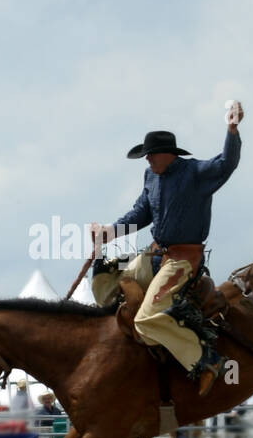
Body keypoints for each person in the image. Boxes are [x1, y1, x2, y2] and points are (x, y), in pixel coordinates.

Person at [91, 102, 244, 397]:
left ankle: (206, 359)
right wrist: (109, 232)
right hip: (155, 254)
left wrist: (232, 129)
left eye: (150, 154)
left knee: (146, 317)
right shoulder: (151, 177)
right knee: (106, 278)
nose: (147, 160)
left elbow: (227, 163)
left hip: (183, 260)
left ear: (168, 154)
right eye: (145, 156)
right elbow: (140, 213)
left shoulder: (195, 172)